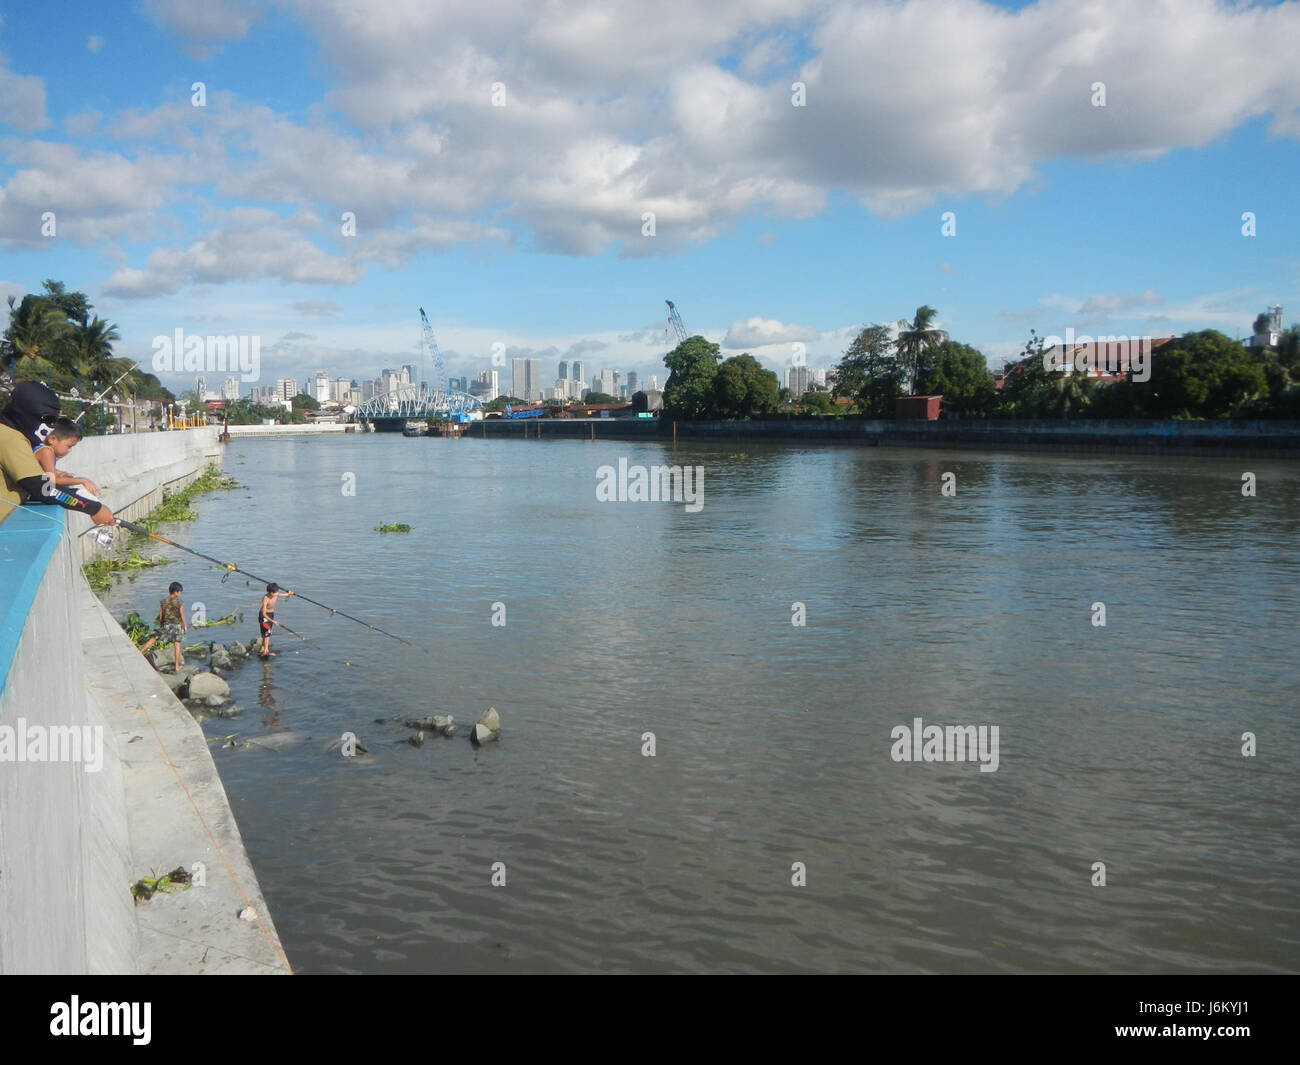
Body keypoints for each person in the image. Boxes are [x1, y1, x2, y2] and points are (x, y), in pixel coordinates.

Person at [0, 382, 115, 527]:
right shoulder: (10, 438)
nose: (51, 427)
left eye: (54, 422)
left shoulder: (9, 434)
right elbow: (43, 488)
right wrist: (93, 508)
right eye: (48, 420)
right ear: (26, 414)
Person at [32, 417, 101, 495]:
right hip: (37, 492)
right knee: (85, 498)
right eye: (69, 446)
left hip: (38, 490)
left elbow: (43, 472)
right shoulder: (46, 452)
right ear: (52, 439)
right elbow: (52, 480)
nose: (69, 450)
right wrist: (82, 480)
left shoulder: (41, 449)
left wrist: (60, 474)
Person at [139, 582, 188, 672]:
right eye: (180, 591)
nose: (180, 593)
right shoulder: (179, 602)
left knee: (153, 639)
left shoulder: (163, 602)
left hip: (166, 625)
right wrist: (185, 626)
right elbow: (182, 614)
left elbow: (160, 615)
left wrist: (162, 625)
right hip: (176, 626)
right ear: (176, 592)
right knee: (177, 645)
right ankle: (176, 666)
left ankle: (140, 652)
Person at [258, 583, 294, 659]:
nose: (276, 593)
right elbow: (264, 613)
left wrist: (289, 594)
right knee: (267, 633)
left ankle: (262, 648)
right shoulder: (265, 598)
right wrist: (273, 621)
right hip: (264, 616)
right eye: (274, 592)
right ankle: (266, 651)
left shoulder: (275, 594)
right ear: (270, 592)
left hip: (271, 614)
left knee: (267, 632)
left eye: (276, 592)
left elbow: (280, 594)